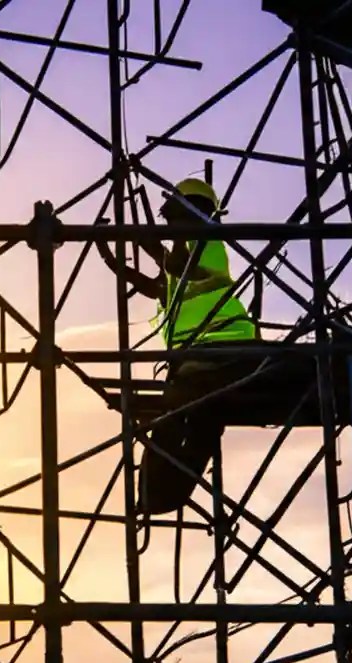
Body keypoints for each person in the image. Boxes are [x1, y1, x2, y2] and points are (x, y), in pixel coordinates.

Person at [96, 177, 257, 515]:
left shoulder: (208, 240)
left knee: (177, 422)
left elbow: (173, 264)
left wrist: (145, 241)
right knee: (193, 426)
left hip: (222, 351)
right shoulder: (186, 251)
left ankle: (159, 496)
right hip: (201, 360)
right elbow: (160, 284)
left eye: (173, 215)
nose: (169, 222)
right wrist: (112, 260)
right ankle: (160, 497)